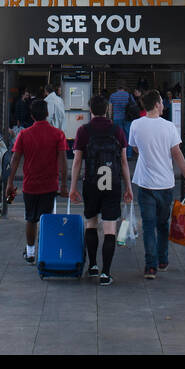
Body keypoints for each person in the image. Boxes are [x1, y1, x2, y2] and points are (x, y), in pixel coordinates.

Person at [128, 89, 185, 280]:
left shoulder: (136, 125)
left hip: (145, 183)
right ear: (157, 104)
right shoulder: (169, 127)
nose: (163, 105)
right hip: (165, 184)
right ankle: (163, 260)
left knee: (148, 225)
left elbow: (134, 147)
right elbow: (177, 154)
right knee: (162, 224)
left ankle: (150, 267)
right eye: (162, 102)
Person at [69, 94, 132, 285]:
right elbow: (123, 162)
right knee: (110, 228)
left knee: (91, 223)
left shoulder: (83, 130)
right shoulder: (117, 130)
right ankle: (106, 273)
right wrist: (129, 187)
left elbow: (78, 161)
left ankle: (93, 265)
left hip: (91, 183)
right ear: (107, 110)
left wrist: (73, 187)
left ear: (90, 110)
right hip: (112, 184)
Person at [5, 98, 67, 264]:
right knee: (48, 219)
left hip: (30, 185)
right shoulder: (58, 134)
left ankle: (31, 252)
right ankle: (47, 251)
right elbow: (63, 161)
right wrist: (64, 185)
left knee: (30, 218)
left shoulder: (24, 135)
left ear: (31, 116)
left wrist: (10, 183)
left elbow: (15, 159)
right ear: (47, 114)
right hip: (50, 185)